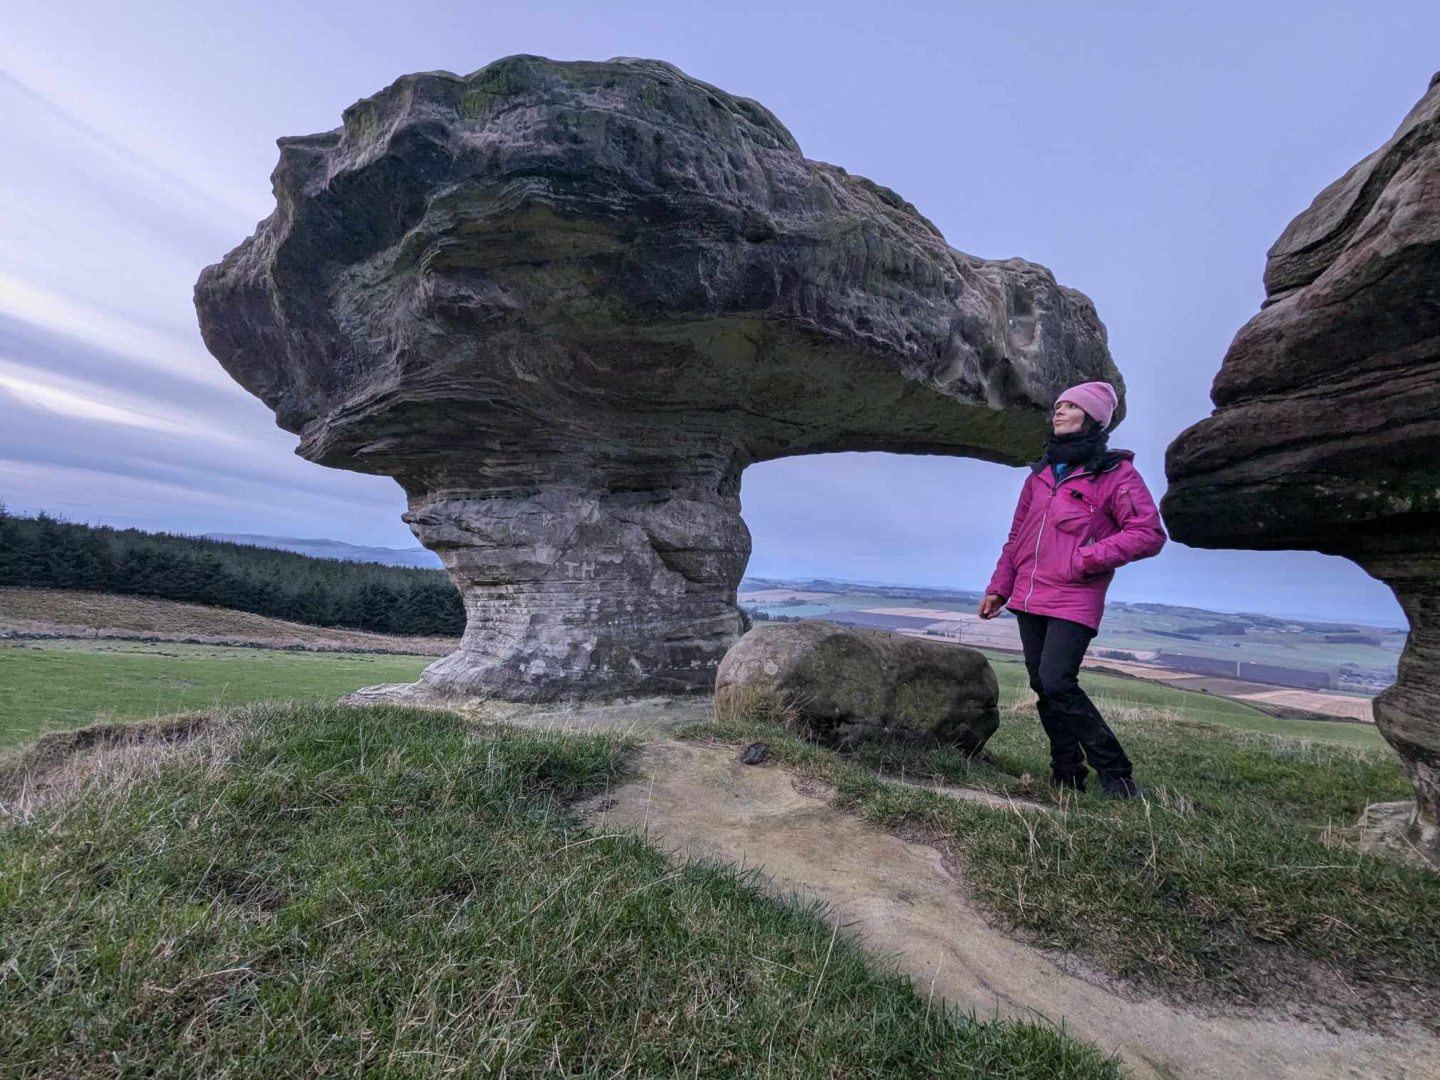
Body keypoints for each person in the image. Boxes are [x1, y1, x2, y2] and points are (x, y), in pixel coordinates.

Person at [977, 381, 1167, 798]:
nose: (1058, 412)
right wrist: (999, 588)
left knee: (1058, 680)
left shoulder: (1115, 474)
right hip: (1029, 596)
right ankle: (1066, 772)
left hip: (1073, 597)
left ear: (1094, 418)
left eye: (1070, 406)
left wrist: (1086, 558)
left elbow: (1148, 533)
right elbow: (1017, 538)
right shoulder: (1041, 475)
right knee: (1044, 686)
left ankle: (1116, 774)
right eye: (1057, 405)